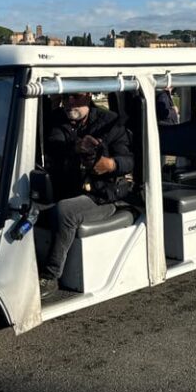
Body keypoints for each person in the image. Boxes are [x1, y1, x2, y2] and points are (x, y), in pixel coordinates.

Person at [39, 92, 134, 298]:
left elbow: (128, 160)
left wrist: (110, 164)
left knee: (66, 211)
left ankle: (51, 275)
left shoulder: (110, 122)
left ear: (88, 96)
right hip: (68, 187)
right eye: (65, 98)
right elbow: (54, 147)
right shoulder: (56, 121)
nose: (69, 103)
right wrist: (76, 147)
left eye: (75, 97)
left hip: (104, 194)